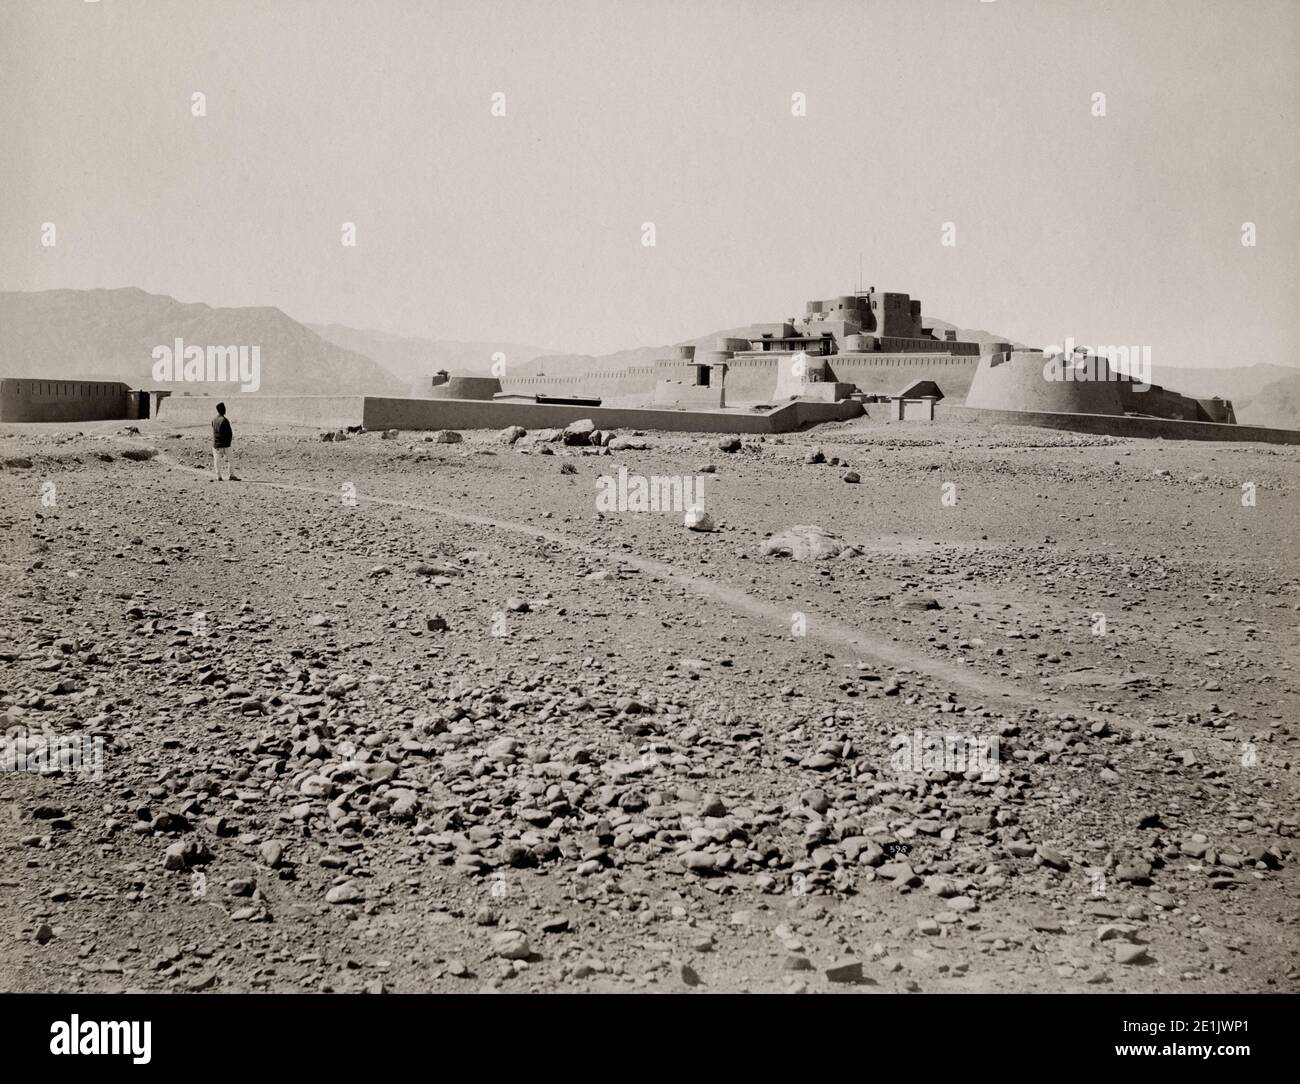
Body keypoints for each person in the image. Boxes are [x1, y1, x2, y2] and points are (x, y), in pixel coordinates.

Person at [211, 402, 238, 481]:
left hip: (216, 444)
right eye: (224, 408)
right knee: (231, 459)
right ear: (221, 410)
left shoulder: (214, 420)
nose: (225, 409)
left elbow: (214, 431)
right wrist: (228, 442)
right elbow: (229, 433)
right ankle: (231, 475)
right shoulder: (224, 420)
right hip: (225, 444)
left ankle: (218, 476)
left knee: (217, 460)